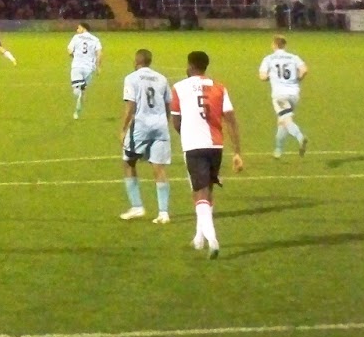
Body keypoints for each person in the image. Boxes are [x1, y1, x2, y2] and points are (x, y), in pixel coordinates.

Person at [170, 50, 245, 259]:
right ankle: (199, 237)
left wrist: (185, 133)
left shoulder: (179, 87)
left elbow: (175, 120)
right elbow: (231, 120)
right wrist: (237, 152)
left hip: (193, 145)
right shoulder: (219, 87)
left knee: (198, 193)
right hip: (215, 146)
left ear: (191, 66)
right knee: (207, 190)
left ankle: (212, 240)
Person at [118, 49, 172, 223]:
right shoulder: (162, 78)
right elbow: (168, 105)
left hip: (141, 126)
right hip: (160, 126)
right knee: (159, 167)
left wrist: (123, 128)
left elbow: (131, 106)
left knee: (128, 162)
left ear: (136, 61)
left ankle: (137, 207)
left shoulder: (131, 78)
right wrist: (164, 122)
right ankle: (163, 213)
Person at [257, 35, 308, 159]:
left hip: (280, 96)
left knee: (287, 120)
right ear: (284, 45)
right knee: (282, 122)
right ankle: (278, 150)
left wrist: (271, 77)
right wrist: (299, 78)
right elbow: (304, 69)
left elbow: (262, 76)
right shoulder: (293, 57)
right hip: (294, 94)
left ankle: (300, 137)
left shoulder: (269, 59)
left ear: (274, 45)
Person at [67, 22, 103, 118]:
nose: (77, 30)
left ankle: (79, 89)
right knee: (83, 91)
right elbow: (99, 54)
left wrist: (75, 56)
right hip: (89, 68)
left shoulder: (76, 37)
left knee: (76, 89)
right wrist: (98, 67)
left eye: (78, 28)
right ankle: (77, 112)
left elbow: (69, 50)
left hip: (77, 66)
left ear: (83, 28)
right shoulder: (95, 39)